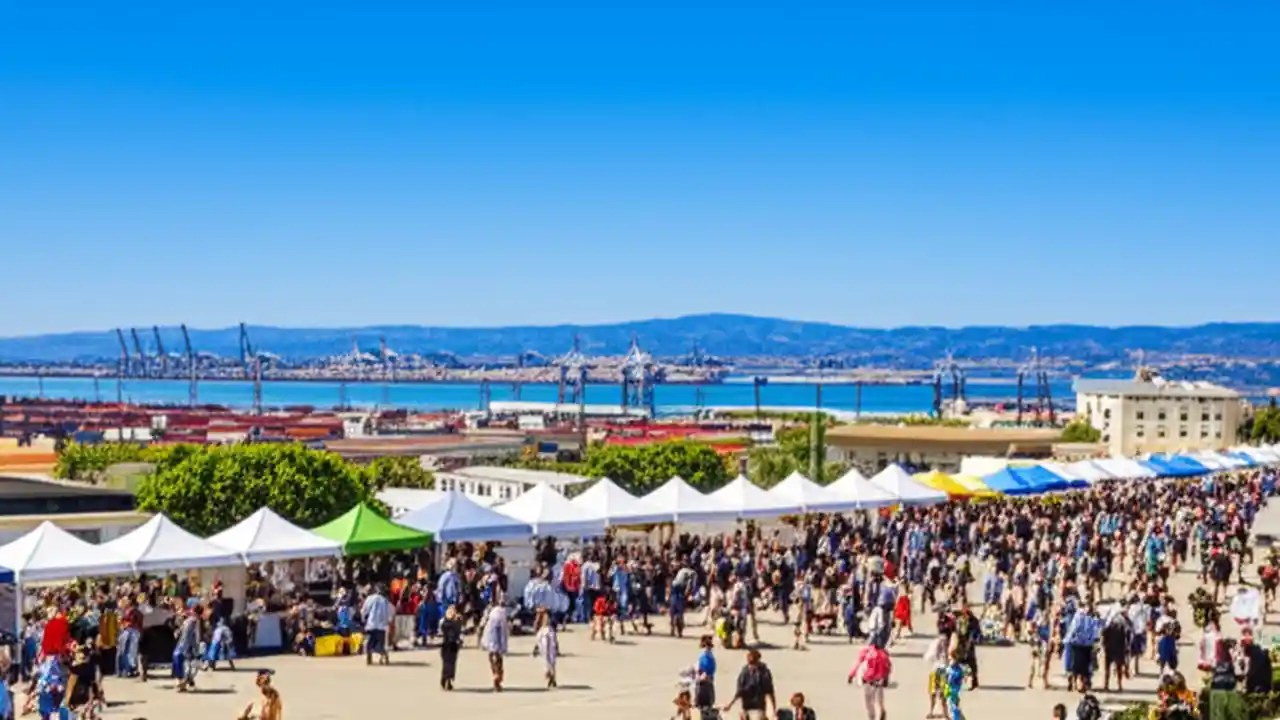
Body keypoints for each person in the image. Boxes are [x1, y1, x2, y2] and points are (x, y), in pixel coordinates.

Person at [722, 649, 775, 720]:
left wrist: (773, 710)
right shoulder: (744, 672)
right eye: (750, 663)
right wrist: (730, 704)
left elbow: (770, 692)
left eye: (754, 663)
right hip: (746, 706)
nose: (752, 666)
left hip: (758, 707)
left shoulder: (764, 673)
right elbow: (739, 691)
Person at [848, 640, 891, 720]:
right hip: (879, 681)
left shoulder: (866, 652)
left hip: (868, 680)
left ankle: (872, 717)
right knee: (879, 701)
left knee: (869, 703)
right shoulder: (884, 653)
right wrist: (886, 679)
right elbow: (888, 667)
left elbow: (858, 663)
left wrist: (851, 675)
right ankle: (881, 711)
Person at [480, 600, 510, 692]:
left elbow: (483, 625)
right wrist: (504, 645)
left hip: (490, 639)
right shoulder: (502, 614)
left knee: (492, 658)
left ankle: (495, 675)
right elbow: (503, 632)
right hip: (497, 640)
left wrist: (483, 641)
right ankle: (497, 676)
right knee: (498, 659)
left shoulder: (490, 612)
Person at [361, 584, 392, 666]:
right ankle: (385, 657)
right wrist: (387, 623)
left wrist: (363, 619)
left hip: (371, 625)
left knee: (368, 644)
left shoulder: (370, 598)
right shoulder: (385, 601)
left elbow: (364, 611)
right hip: (381, 627)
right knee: (380, 646)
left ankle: (369, 660)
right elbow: (388, 615)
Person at [533, 609, 559, 689]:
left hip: (546, 638)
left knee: (548, 659)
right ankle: (551, 676)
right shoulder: (546, 628)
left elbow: (536, 629)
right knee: (550, 660)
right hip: (547, 639)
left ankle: (550, 676)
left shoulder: (546, 628)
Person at [439, 605, 463, 691]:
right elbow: (458, 632)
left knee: (447, 664)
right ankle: (447, 680)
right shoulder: (455, 623)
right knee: (451, 664)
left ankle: (446, 679)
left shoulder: (444, 622)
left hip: (446, 645)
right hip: (452, 645)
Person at [695, 635, 717, 713]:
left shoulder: (708, 655)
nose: (708, 648)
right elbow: (699, 667)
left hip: (707, 678)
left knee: (706, 699)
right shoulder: (703, 655)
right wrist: (703, 674)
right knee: (703, 699)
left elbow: (712, 667)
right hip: (703, 679)